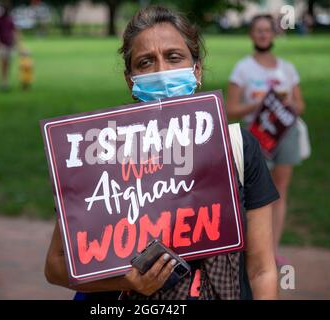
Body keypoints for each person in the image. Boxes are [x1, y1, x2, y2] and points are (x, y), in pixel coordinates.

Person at [45, 6, 279, 300]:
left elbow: (262, 270)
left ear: (197, 69)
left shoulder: (236, 147)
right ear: (131, 80)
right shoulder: (99, 152)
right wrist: (126, 282)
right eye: (145, 62)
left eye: (173, 57)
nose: (162, 72)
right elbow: (56, 266)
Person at [226, 14, 306, 267]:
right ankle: (255, 251)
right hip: (257, 134)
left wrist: (289, 103)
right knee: (259, 194)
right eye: (258, 30)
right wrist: (257, 104)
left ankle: (272, 250)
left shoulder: (287, 68)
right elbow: (230, 109)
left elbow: (300, 105)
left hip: (285, 133)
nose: (262, 34)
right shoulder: (243, 68)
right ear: (251, 34)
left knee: (280, 191)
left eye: (267, 30)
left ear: (274, 34)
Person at [0, 1, 20, 91]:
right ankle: (3, 82)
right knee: (3, 64)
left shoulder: (10, 18)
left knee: (8, 64)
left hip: (10, 44)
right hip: (2, 44)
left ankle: (6, 81)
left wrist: (17, 44)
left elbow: (14, 31)